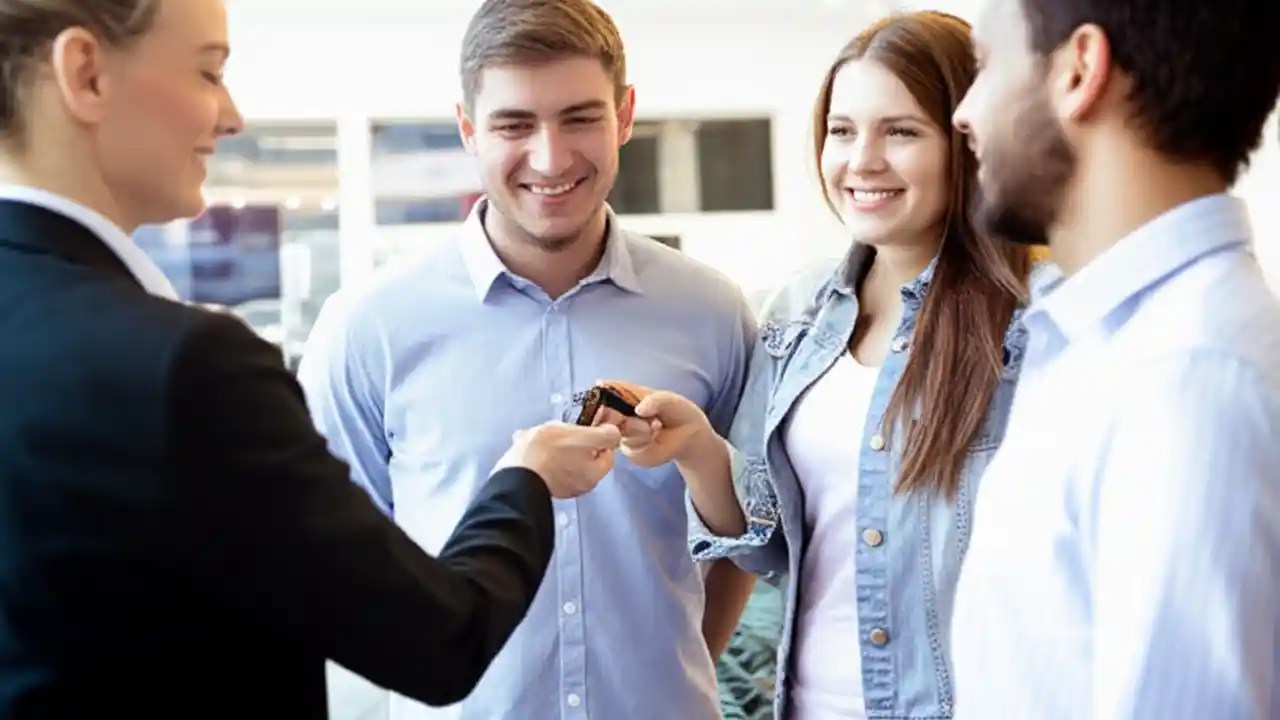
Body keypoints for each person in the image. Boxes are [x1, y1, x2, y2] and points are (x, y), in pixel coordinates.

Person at [0, 1, 625, 717]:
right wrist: (528, 478)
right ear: (86, 75)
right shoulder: (189, 369)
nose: (232, 117)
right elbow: (438, 640)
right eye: (209, 72)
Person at [295, 1, 758, 718]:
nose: (549, 158)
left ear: (625, 115)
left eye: (580, 118)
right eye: (514, 124)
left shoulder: (713, 312)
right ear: (467, 128)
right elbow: (339, 570)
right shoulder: (367, 329)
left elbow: (742, 536)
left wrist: (667, 671)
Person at [593, 11, 1035, 719]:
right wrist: (700, 449)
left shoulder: (1035, 325)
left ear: (969, 141)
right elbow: (766, 546)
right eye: (842, 130)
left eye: (902, 131)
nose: (861, 160)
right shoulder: (799, 312)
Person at [949, 0, 1280, 717]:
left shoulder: (1191, 377)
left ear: (1079, 70)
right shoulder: (1102, 346)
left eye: (984, 66)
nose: (963, 113)